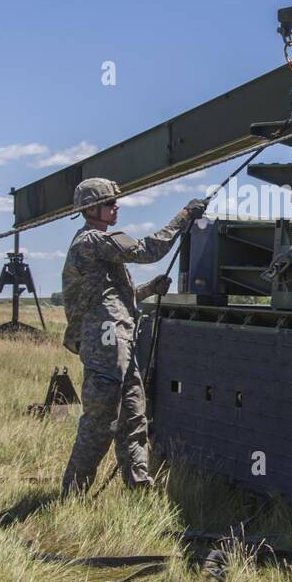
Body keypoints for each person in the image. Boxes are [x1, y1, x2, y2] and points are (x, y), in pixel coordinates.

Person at [60, 178, 207, 494]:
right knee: (101, 422)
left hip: (116, 342)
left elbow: (112, 298)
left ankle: (139, 486)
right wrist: (184, 216)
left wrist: (149, 290)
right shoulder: (93, 240)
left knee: (133, 418)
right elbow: (147, 250)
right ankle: (72, 492)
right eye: (110, 203)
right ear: (91, 209)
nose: (117, 207)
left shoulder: (94, 245)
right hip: (107, 343)